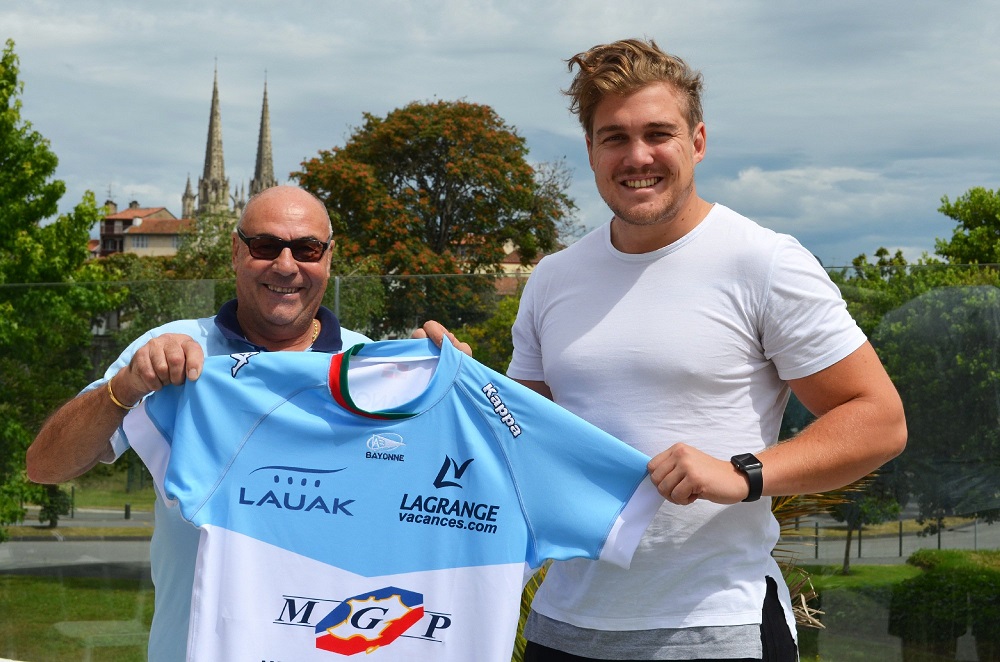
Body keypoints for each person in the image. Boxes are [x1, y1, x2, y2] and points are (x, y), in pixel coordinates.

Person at [506, 39, 907, 662]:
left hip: (719, 630)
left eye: (657, 133)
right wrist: (456, 384)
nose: (637, 156)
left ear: (697, 141)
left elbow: (878, 419)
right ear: (590, 151)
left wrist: (743, 473)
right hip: (562, 629)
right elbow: (523, 439)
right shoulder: (553, 278)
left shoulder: (763, 262)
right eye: (614, 137)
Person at [26, 184, 468, 662]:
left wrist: (445, 393)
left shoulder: (371, 370)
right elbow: (45, 466)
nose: (285, 265)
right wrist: (126, 387)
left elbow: (431, 509)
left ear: (328, 258)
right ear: (236, 251)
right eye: (264, 246)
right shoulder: (168, 351)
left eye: (306, 249)